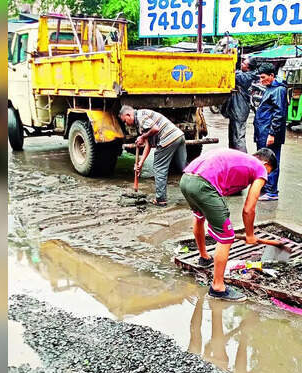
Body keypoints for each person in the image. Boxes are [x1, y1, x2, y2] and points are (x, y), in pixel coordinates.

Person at [179, 147, 279, 301]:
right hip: (204, 184)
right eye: (269, 172)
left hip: (186, 179)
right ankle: (218, 287)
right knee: (226, 236)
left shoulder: (240, 158)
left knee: (199, 217)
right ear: (266, 164)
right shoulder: (260, 168)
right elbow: (249, 209)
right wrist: (250, 235)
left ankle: (204, 257)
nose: (265, 178)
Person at [118, 105, 187, 206]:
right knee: (184, 167)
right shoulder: (141, 120)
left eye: (125, 121)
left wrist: (142, 137)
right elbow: (148, 145)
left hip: (167, 138)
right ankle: (202, 186)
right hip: (178, 136)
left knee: (159, 168)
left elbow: (155, 129)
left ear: (128, 115)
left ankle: (161, 199)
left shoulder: (141, 117)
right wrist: (140, 163)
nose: (126, 124)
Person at [252, 62, 288, 201]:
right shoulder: (269, 88)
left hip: (269, 133)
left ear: (272, 76)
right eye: (260, 78)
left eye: (263, 77)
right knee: (263, 161)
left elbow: (279, 114)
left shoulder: (278, 90)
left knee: (271, 161)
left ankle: (272, 191)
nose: (261, 80)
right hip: (263, 131)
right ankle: (265, 187)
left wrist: (272, 133)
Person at [223, 57, 255, 152]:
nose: (241, 64)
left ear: (249, 67)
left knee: (238, 137)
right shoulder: (246, 74)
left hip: (240, 111)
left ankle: (243, 160)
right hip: (236, 110)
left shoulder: (248, 76)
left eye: (244, 63)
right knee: (233, 136)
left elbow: (234, 75)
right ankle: (234, 157)